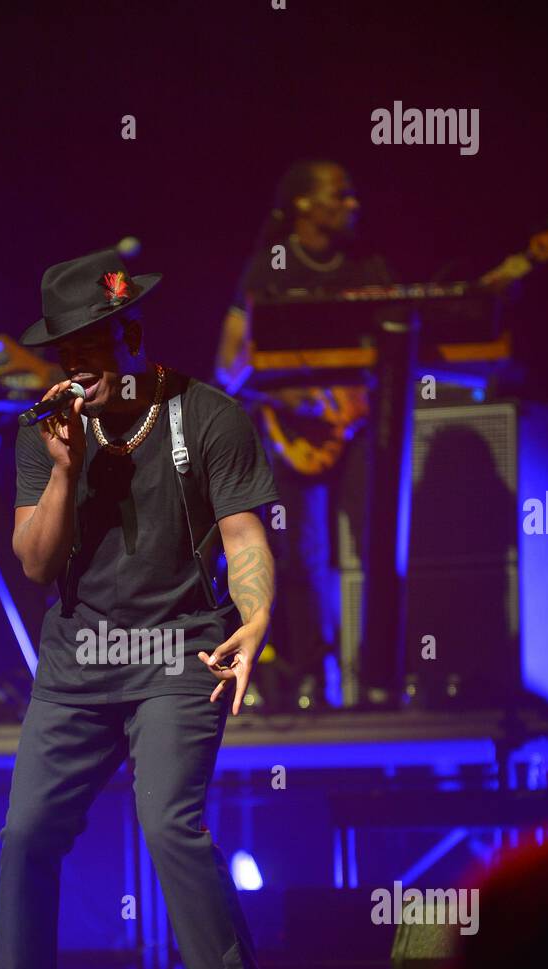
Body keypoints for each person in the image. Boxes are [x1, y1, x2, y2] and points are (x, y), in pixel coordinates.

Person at [0, 247, 289, 969]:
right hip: (77, 662)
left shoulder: (207, 416)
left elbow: (243, 536)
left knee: (168, 822)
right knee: (24, 836)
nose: (81, 368)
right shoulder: (43, 430)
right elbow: (36, 565)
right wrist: (64, 471)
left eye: (96, 347)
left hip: (178, 652)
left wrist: (255, 614)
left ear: (132, 336)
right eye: (67, 353)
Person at [216, 160, 393, 710]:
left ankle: (380, 678)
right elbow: (228, 366)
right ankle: (315, 678)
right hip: (295, 432)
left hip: (361, 425)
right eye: (339, 195)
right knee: (301, 555)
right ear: (303, 205)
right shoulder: (269, 267)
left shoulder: (366, 264)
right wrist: (292, 401)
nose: (353, 205)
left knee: (378, 543)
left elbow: (397, 342)